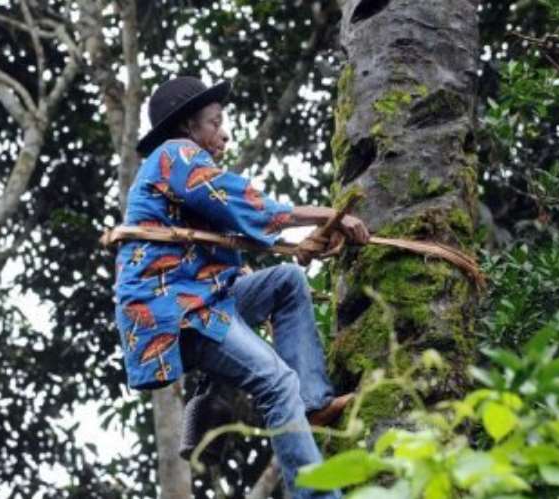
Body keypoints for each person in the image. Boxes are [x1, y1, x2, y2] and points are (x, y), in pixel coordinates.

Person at [114, 76, 368, 498]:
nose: (225, 132)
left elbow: (229, 244)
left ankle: (312, 403)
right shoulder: (176, 154)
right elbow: (246, 206)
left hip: (207, 300)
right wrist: (328, 215)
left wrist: (294, 247)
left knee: (286, 282)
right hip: (179, 314)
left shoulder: (184, 177)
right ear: (187, 129)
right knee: (274, 382)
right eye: (215, 122)